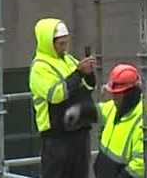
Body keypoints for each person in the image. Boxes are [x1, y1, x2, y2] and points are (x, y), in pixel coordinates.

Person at [29, 18, 97, 178]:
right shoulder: (40, 67)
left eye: (66, 43)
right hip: (57, 136)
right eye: (60, 44)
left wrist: (88, 74)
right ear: (48, 43)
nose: (64, 47)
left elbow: (87, 88)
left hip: (79, 132)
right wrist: (79, 73)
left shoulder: (69, 60)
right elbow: (56, 95)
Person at [93, 63, 147, 178]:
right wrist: (79, 110)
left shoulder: (144, 122)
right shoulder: (116, 107)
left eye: (117, 94)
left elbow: (140, 165)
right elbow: (99, 110)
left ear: (130, 94)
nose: (113, 97)